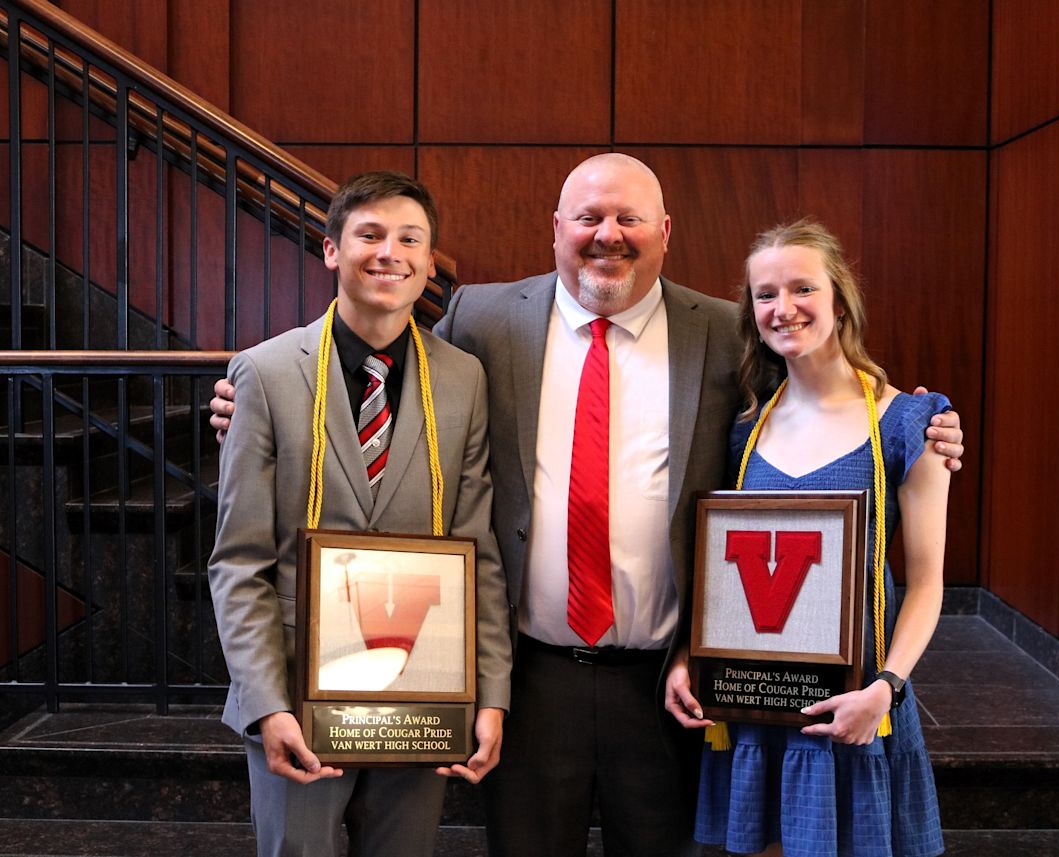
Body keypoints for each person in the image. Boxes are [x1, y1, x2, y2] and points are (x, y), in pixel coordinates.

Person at [210, 154, 965, 856]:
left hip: (667, 682)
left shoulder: (718, 329)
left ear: (664, 232)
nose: (609, 234)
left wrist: (920, 421)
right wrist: (246, 404)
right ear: (557, 229)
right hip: (531, 680)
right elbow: (388, 380)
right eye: (589, 217)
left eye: (630, 218)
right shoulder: (482, 318)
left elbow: (816, 385)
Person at [207, 171, 511, 857]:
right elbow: (239, 560)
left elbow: (479, 554)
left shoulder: (462, 379)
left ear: (430, 262)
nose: (389, 253)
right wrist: (267, 703)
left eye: (410, 239)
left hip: (422, 693)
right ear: (331, 250)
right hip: (298, 695)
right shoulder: (267, 372)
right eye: (369, 235)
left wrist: (491, 694)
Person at [665, 218, 949, 856]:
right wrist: (692, 657)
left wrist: (886, 689)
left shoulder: (909, 423)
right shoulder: (743, 432)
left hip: (858, 702)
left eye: (802, 289)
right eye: (765, 295)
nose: (783, 308)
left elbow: (929, 583)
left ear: (840, 300)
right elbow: (721, 573)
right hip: (757, 706)